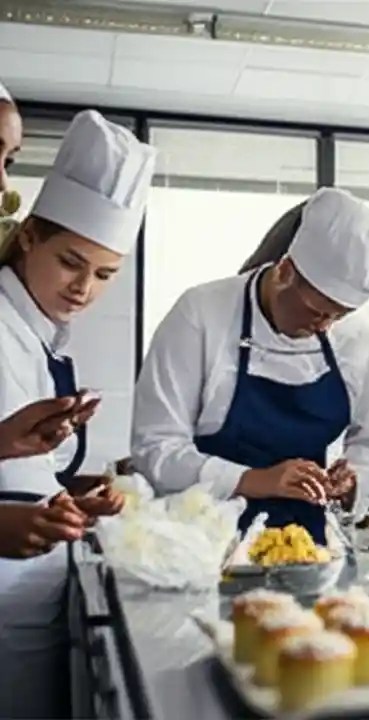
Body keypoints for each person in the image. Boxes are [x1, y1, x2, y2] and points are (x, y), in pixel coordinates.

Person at [131, 188, 369, 544]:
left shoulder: (359, 342)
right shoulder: (202, 313)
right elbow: (156, 446)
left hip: (304, 546)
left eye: (340, 315)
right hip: (198, 543)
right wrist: (258, 479)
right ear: (286, 270)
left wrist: (355, 481)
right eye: (317, 311)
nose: (325, 326)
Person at [0, 108, 152, 718]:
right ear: (30, 235)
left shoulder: (38, 334)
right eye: (71, 263)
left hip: (34, 603)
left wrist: (68, 497)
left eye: (105, 275)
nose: (83, 289)